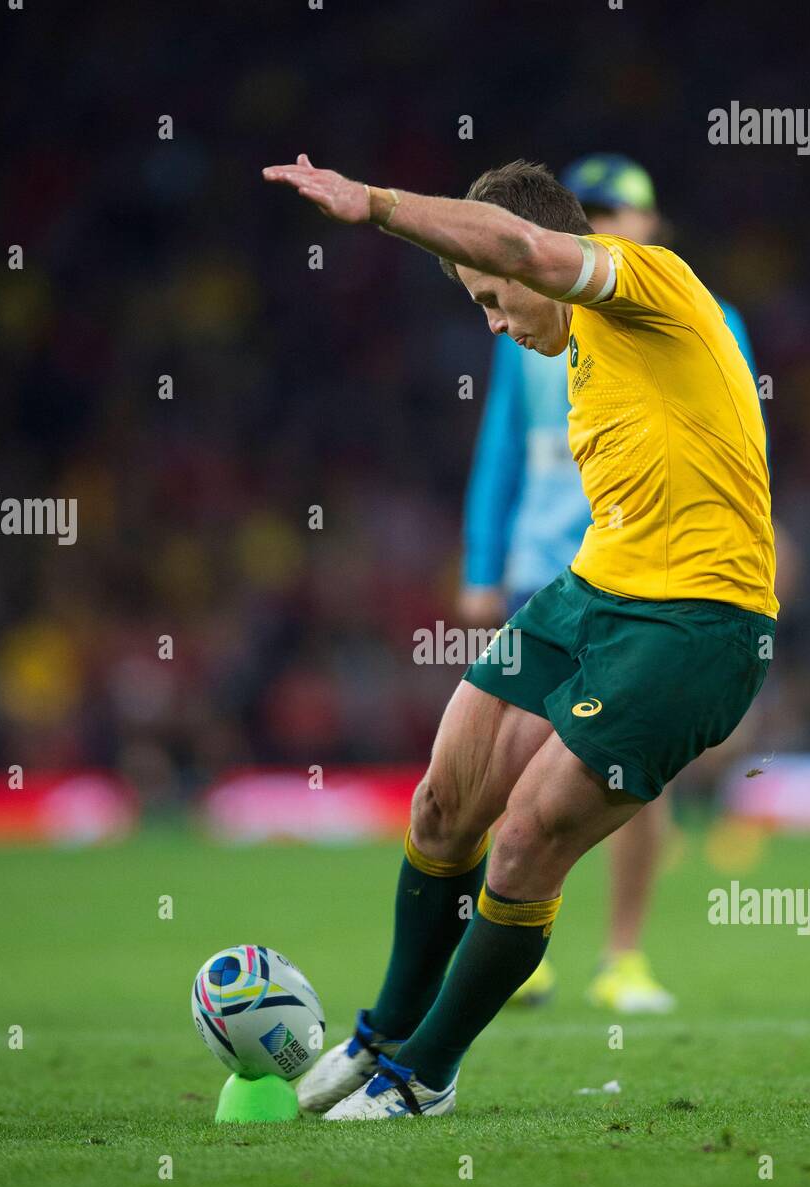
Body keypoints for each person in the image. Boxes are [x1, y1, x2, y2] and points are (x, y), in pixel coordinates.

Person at [262, 153, 777, 1120]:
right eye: (477, 307)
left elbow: (515, 245)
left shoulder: (644, 281)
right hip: (588, 595)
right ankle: (381, 1036)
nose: (495, 323)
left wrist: (372, 205)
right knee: (440, 808)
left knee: (527, 839)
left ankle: (424, 1075)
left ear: (544, 258)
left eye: (496, 300)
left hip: (698, 623)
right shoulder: (575, 353)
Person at [460, 154, 763, 1013]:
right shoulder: (523, 319)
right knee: (494, 761)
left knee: (629, 773)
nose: (602, 226)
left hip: (654, 572)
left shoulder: (701, 313)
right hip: (545, 566)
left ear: (653, 227)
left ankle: (621, 955)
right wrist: (481, 565)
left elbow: (740, 440)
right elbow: (501, 453)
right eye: (587, 213)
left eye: (615, 211)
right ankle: (515, 936)